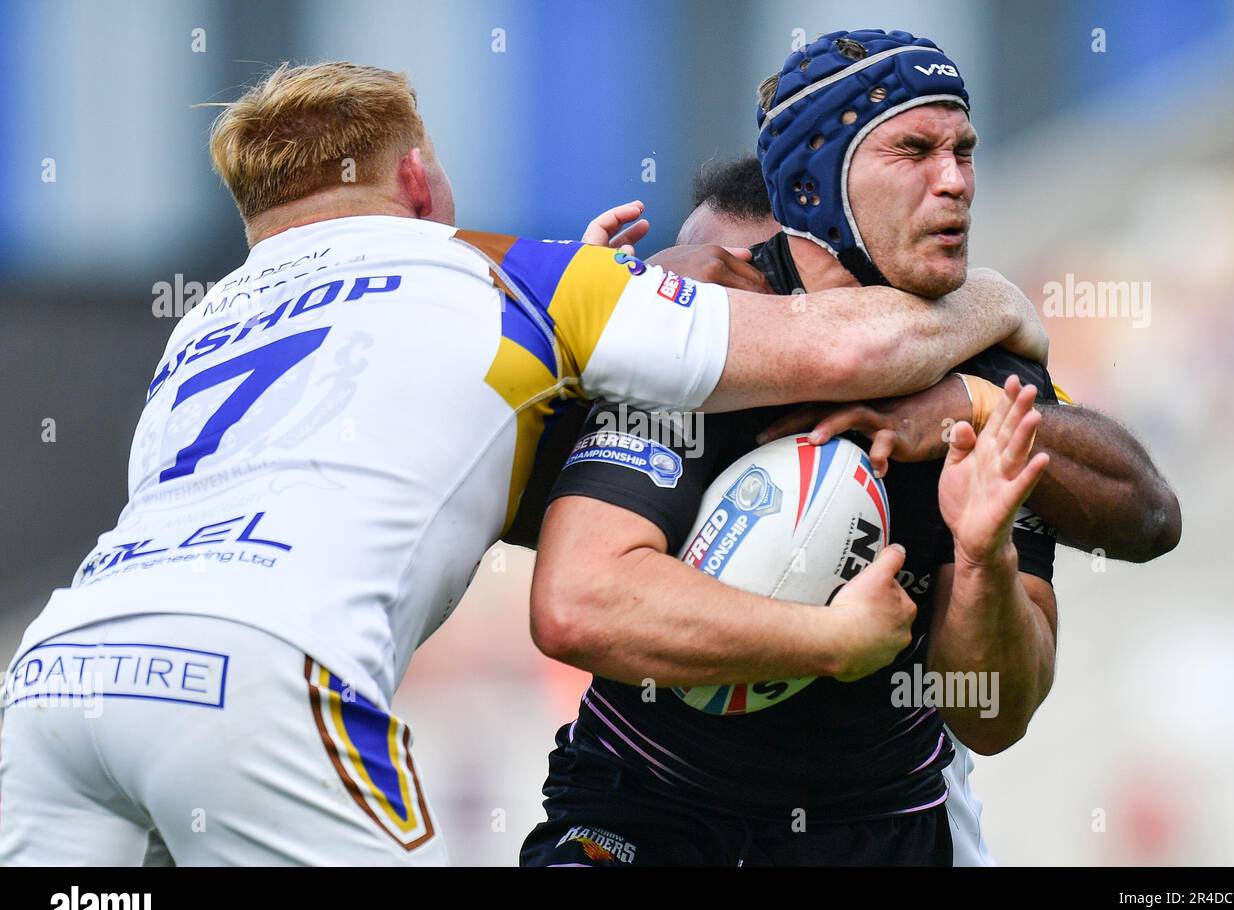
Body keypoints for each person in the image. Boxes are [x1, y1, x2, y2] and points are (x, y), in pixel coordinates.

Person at [0, 60, 1050, 866]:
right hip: (259, 676)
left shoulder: (202, 328)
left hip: (56, 674)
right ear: (417, 180)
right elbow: (852, 348)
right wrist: (999, 304)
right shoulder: (509, 273)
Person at [521, 30, 1179, 866]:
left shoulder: (989, 378)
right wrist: (830, 640)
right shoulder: (694, 317)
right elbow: (579, 605)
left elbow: (993, 716)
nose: (956, 180)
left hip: (877, 830)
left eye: (964, 151)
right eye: (914, 150)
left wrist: (983, 563)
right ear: (813, 183)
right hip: (645, 806)